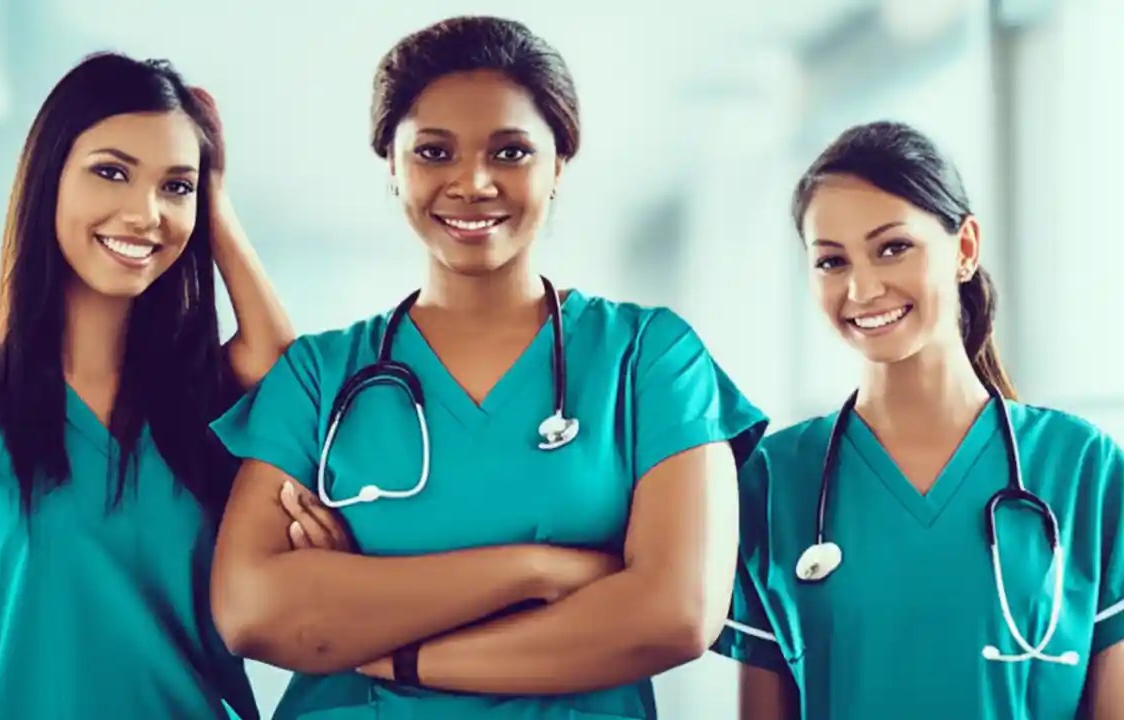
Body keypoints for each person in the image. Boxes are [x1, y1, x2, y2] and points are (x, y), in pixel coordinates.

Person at [207, 14, 768, 720]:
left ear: (559, 163)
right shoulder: (319, 376)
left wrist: (387, 640)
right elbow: (251, 610)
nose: (472, 182)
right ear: (392, 166)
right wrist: (535, 571)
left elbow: (677, 612)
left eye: (510, 152)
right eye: (434, 152)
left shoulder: (650, 359)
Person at [0, 53, 294, 719]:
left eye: (175, 187)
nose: (145, 213)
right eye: (111, 172)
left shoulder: (200, 405)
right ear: (48, 177)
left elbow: (277, 360)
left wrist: (214, 198)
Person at [711, 120, 1124, 719]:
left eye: (892, 247)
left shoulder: (1085, 469)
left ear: (964, 249)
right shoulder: (774, 480)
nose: (862, 286)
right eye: (831, 261)